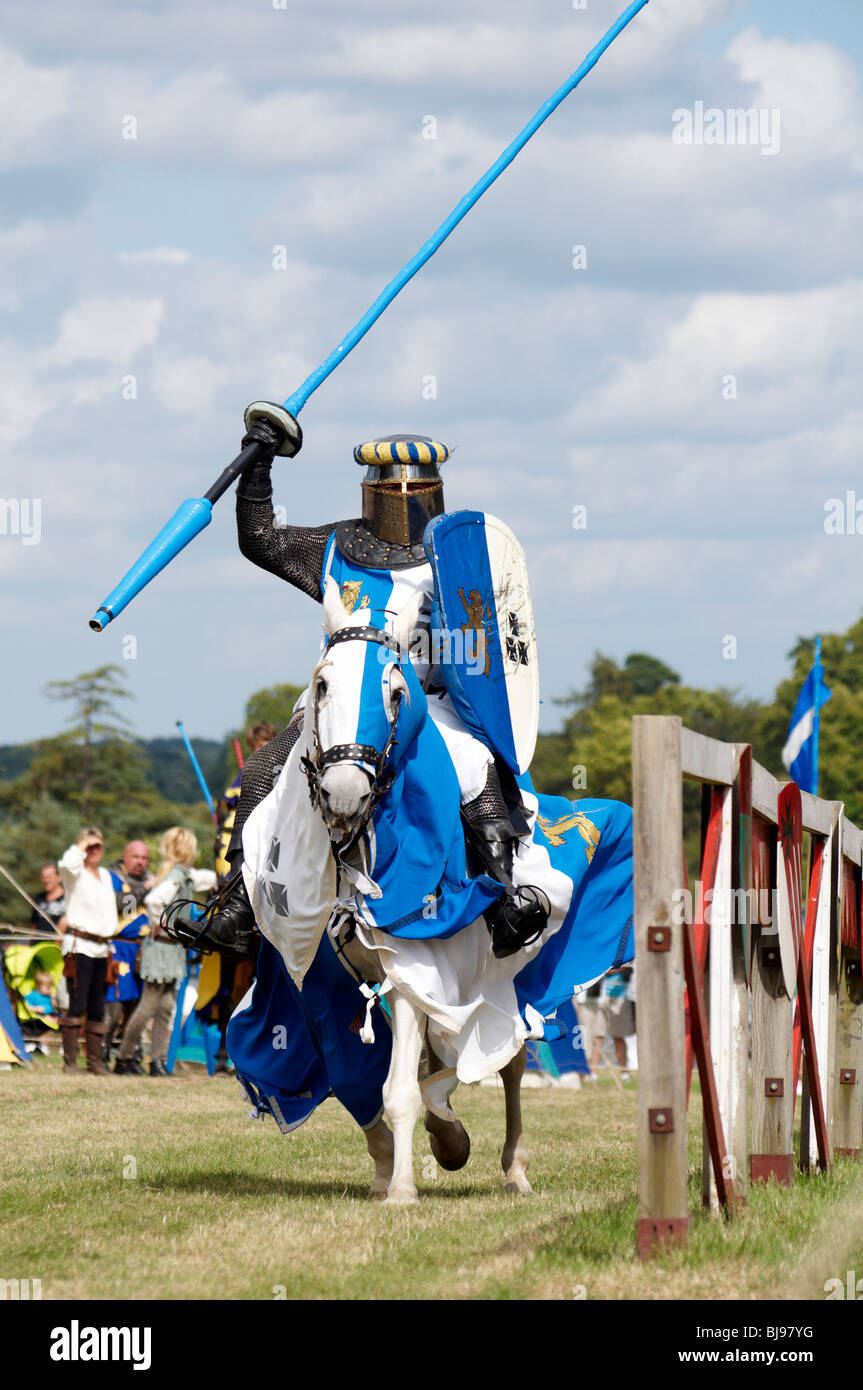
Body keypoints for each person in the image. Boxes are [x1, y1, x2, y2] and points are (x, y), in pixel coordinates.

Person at [188, 426, 550, 962]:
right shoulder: (337, 547)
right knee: (266, 768)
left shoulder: (460, 556)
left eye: (415, 485)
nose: (403, 494)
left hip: (427, 702)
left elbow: (492, 651)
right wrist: (260, 463)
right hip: (338, 701)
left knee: (474, 764)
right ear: (370, 488)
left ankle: (503, 897)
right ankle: (240, 901)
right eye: (390, 485)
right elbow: (260, 540)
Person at [115, 828, 216, 1077]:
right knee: (148, 1006)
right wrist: (163, 923)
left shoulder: (183, 875)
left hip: (171, 949)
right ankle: (123, 1057)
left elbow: (208, 878)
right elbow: (153, 901)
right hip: (161, 946)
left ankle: (157, 1061)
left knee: (167, 1007)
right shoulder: (175, 876)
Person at [57, 828, 119, 1075]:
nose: (94, 851)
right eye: (90, 846)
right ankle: (70, 1063)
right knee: (77, 1002)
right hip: (79, 945)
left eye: (98, 846)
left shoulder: (104, 874)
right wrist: (80, 845)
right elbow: (65, 863)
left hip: (102, 946)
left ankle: (95, 1062)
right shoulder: (75, 872)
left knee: (97, 1005)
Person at [104, 841, 154, 1065]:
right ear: (125, 856)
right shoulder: (112, 877)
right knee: (115, 1006)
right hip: (119, 949)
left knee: (138, 1007)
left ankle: (129, 1056)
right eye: (135, 857)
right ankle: (102, 1052)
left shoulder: (152, 879)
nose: (140, 862)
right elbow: (118, 905)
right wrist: (145, 890)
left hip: (144, 949)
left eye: (144, 858)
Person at [30, 864, 67, 938]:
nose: (46, 881)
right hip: (38, 945)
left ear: (59, 878)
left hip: (58, 946)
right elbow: (34, 925)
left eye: (49, 877)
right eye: (43, 878)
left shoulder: (67, 899)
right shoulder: (39, 898)